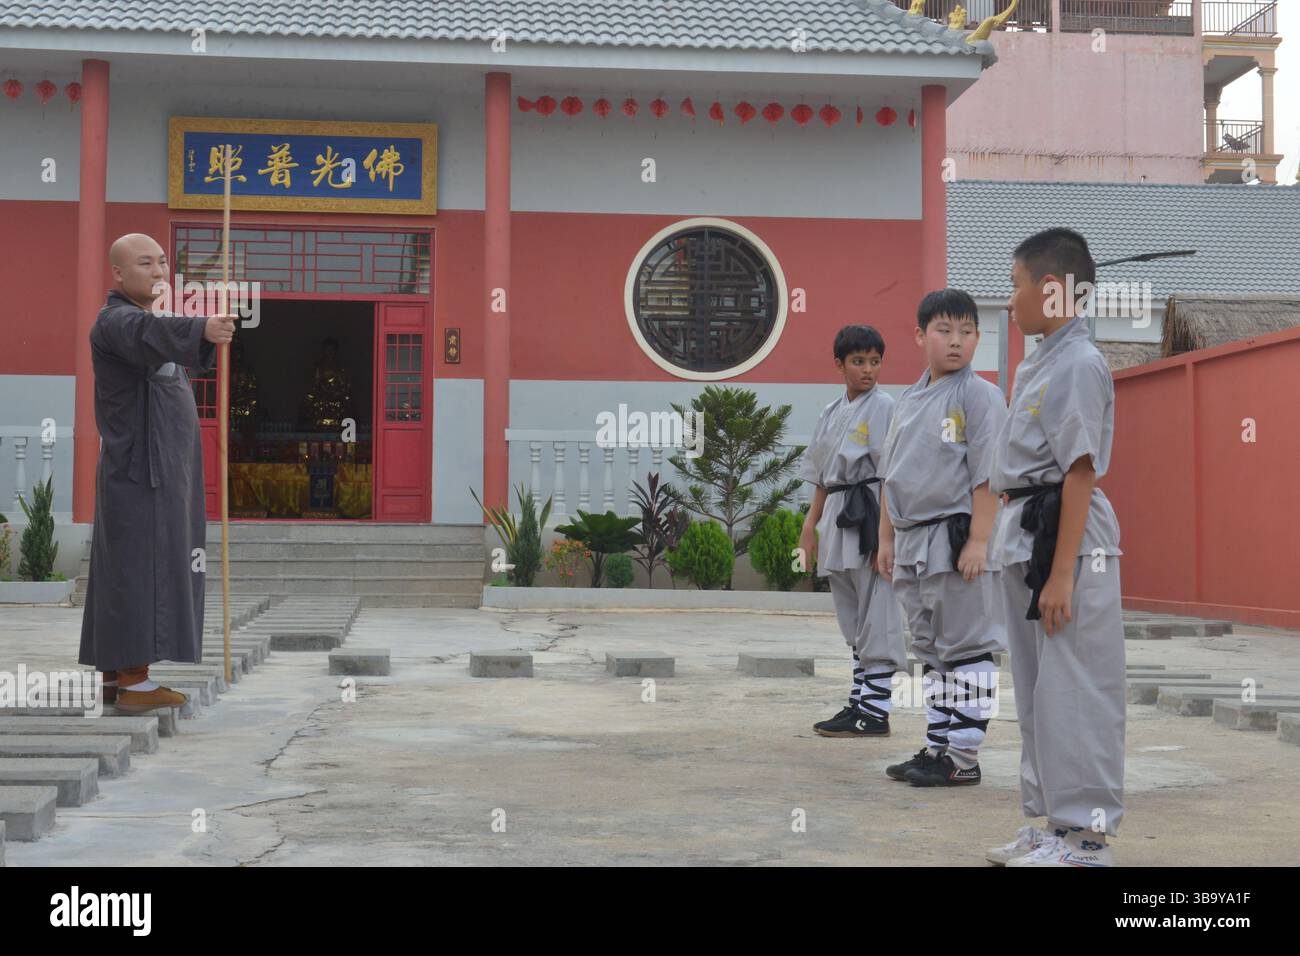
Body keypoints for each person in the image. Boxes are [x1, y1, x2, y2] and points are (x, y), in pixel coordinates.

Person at [984, 228, 1125, 867]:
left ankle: (1087, 840)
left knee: (1076, 687)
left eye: (1015, 285)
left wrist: (1062, 574)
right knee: (1041, 689)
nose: (1010, 300)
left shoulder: (1078, 363)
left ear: (1049, 288)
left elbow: (1079, 471)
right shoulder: (1041, 358)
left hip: (1067, 540)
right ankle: (1053, 826)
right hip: (1031, 532)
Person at [78, 233, 237, 712]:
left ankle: (116, 676)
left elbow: (158, 337)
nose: (159, 270)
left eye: (163, 262)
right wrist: (200, 328)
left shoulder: (143, 324)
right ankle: (133, 681)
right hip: (138, 473)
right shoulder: (116, 324)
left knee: (128, 570)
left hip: (155, 473)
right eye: (145, 263)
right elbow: (148, 335)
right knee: (137, 570)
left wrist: (198, 336)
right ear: (119, 274)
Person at [877, 288, 1008, 787]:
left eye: (967, 332)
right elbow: (891, 476)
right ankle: (938, 746)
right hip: (911, 540)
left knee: (968, 646)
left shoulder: (979, 394)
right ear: (920, 335)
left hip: (954, 538)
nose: (957, 342)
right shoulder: (908, 399)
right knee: (931, 650)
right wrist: (886, 540)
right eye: (944, 331)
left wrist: (979, 541)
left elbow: (986, 476)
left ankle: (965, 757)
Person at [798, 325, 906, 737]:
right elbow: (821, 477)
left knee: (877, 609)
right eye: (858, 362)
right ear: (839, 364)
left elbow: (890, 474)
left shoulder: (884, 407)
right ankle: (859, 701)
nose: (868, 370)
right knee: (852, 614)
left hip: (871, 512)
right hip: (838, 513)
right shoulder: (831, 411)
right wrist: (810, 528)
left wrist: (887, 534)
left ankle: (875, 711)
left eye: (875, 362)